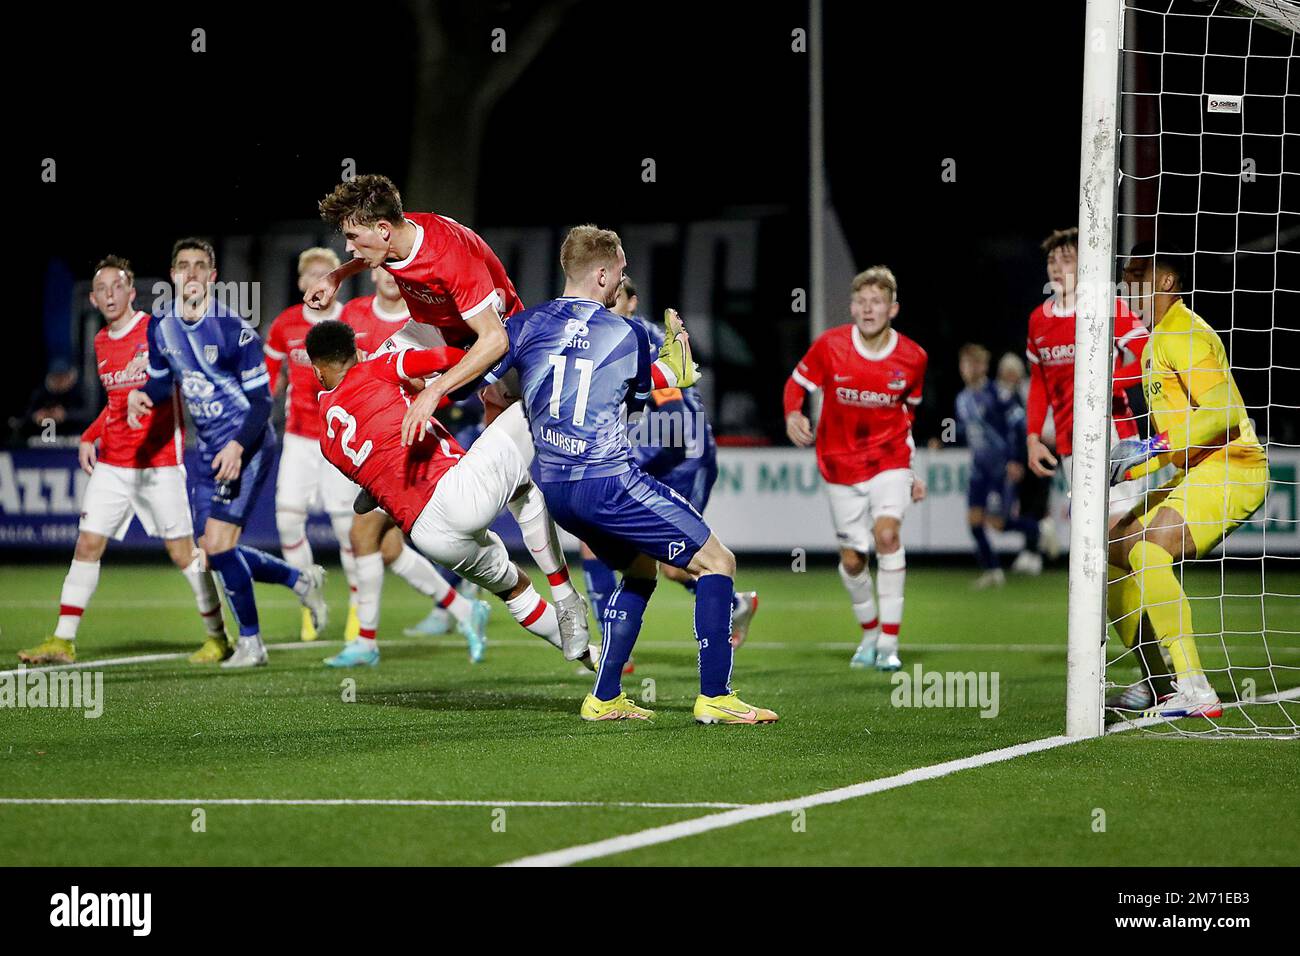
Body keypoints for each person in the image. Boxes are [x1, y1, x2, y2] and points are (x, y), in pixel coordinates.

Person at [480, 224, 777, 724]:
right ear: (601, 273)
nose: (624, 277)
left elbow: (494, 389)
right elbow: (650, 391)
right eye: (620, 268)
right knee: (718, 562)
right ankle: (716, 696)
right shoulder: (627, 332)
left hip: (556, 487)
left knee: (640, 569)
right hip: (607, 480)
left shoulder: (526, 324)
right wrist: (678, 361)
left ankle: (604, 697)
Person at [304, 174, 587, 654]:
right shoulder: (397, 235)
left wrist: (433, 393)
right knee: (379, 371)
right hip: (438, 329)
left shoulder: (446, 256)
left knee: (515, 473)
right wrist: (338, 275)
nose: (350, 246)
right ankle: (380, 474)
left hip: (497, 342)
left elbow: (494, 338)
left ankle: (565, 597)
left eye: (354, 237)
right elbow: (371, 251)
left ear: (384, 230)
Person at [304, 320, 593, 669]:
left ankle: (592, 657)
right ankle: (565, 594)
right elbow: (444, 356)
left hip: (428, 536)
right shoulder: (376, 368)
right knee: (532, 406)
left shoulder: (326, 441)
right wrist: (456, 372)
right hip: (455, 491)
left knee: (514, 589)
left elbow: (372, 481)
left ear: (319, 373)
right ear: (357, 352)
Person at [264, 250, 487, 662]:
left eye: (394, 270)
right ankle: (463, 608)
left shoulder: (421, 319)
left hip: (403, 443)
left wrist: (430, 392)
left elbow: (444, 364)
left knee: (362, 536)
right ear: (373, 275)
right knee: (386, 548)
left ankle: (364, 638)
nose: (388, 277)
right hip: (356, 442)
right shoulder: (352, 314)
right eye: (380, 269)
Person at [127, 238, 326, 668]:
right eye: (184, 266)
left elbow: (261, 404)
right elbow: (163, 382)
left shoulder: (234, 329)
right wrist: (141, 394)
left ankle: (252, 645)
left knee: (217, 548)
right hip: (206, 451)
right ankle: (298, 579)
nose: (193, 274)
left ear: (213, 277)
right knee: (211, 551)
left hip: (246, 446)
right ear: (174, 275)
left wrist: (237, 446)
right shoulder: (160, 325)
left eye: (201, 266)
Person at [19, 256, 227, 665]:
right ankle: (63, 640)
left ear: (131, 293)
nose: (110, 294)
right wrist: (90, 435)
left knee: (184, 555)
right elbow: (115, 404)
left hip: (160, 463)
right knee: (88, 543)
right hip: (114, 465)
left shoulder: (156, 330)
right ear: (94, 299)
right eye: (103, 289)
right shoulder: (100, 342)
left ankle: (219, 636)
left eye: (118, 287)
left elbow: (175, 381)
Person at [1107, 244, 1268, 718]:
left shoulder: (1186, 331)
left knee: (1149, 546)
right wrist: (1139, 460)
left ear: (1167, 282)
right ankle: (1158, 683)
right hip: (1197, 470)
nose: (1127, 285)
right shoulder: (1154, 342)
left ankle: (1195, 687)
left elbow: (1223, 412)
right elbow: (1179, 438)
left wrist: (1147, 451)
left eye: (1138, 274)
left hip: (1235, 467)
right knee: (1112, 547)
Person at [579, 276, 758, 675]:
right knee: (601, 545)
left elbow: (675, 422)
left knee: (677, 563)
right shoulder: (608, 338)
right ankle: (613, 654)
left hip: (684, 457)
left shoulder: (639, 339)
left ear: (631, 302)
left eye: (614, 301)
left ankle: (616, 656)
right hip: (653, 456)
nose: (605, 308)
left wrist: (622, 460)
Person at [784, 266, 927, 672]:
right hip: (839, 464)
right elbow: (795, 385)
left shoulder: (913, 358)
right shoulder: (830, 347)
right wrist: (793, 413)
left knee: (887, 534)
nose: (868, 309)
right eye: (861, 302)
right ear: (852, 307)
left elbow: (908, 417)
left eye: (877, 302)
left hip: (889, 459)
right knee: (852, 560)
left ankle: (889, 642)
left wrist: (911, 470)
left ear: (892, 308)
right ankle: (869, 632)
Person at [955, 344, 1042, 587]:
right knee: (974, 520)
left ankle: (1037, 530)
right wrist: (942, 438)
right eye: (964, 364)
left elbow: (1018, 425)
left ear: (983, 366)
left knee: (998, 523)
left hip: (1000, 468)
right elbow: (960, 429)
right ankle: (993, 570)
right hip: (978, 469)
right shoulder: (962, 399)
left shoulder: (997, 394)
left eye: (972, 364)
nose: (967, 369)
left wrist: (1015, 459)